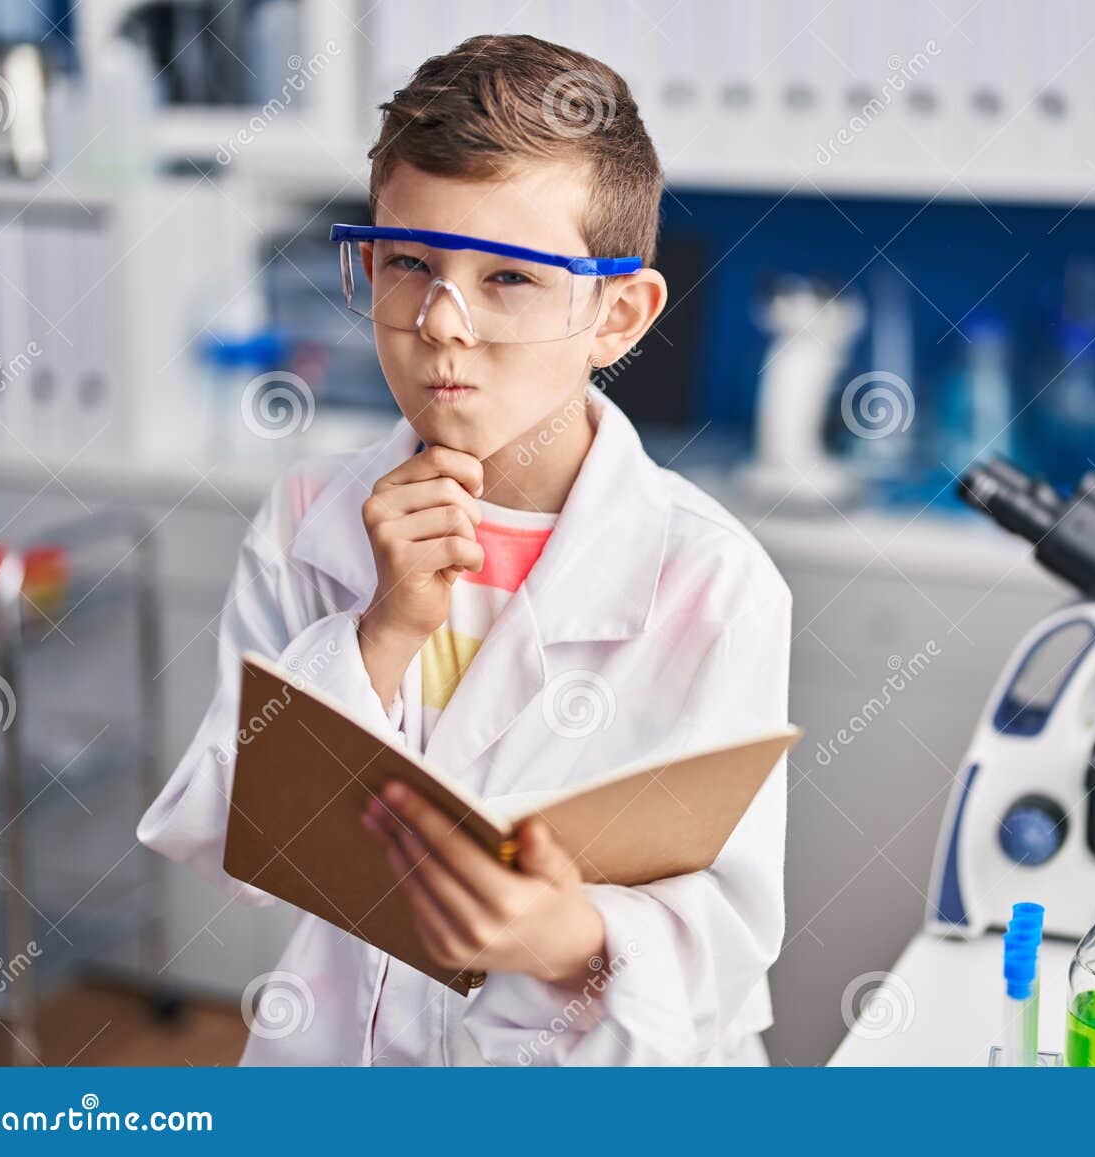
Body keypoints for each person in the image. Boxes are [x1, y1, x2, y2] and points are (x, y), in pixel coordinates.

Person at [137, 34, 792, 1066]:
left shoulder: (711, 579)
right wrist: (380, 629)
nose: (443, 323)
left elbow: (731, 939)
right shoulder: (307, 518)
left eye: (508, 279)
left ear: (617, 314)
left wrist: (565, 938)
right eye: (409, 264)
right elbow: (230, 832)